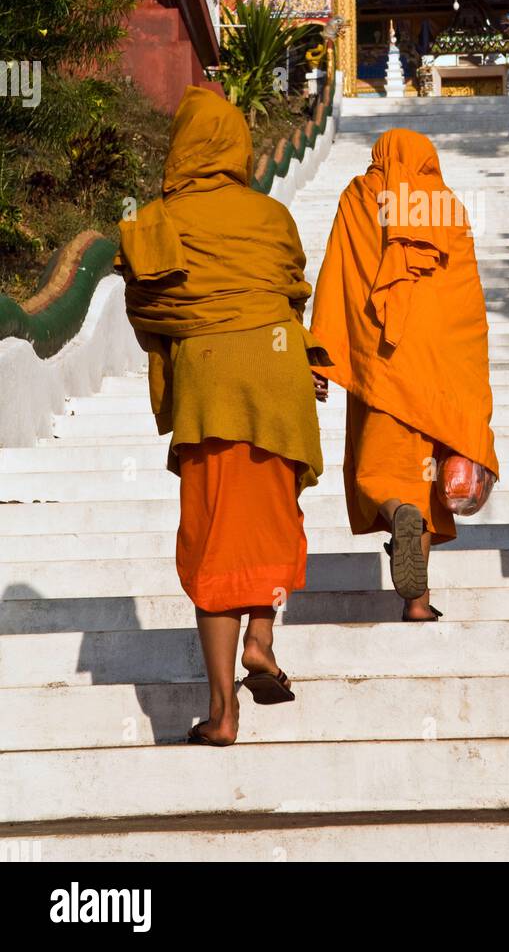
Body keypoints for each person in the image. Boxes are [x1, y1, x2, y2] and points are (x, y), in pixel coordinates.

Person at [115, 87, 324, 745]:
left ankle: (222, 712)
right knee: (268, 520)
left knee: (211, 538)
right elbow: (291, 291)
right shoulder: (271, 216)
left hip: (212, 386)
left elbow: (146, 305)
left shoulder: (158, 217)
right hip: (280, 373)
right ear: (237, 145)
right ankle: (260, 638)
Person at [309, 128, 498, 620]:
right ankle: (418, 602)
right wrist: (470, 377)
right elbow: (467, 301)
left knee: (384, 472)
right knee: (427, 474)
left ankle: (397, 516)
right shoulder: (446, 205)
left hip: (382, 360)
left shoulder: (358, 195)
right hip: (439, 366)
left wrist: (320, 352)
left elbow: (335, 274)